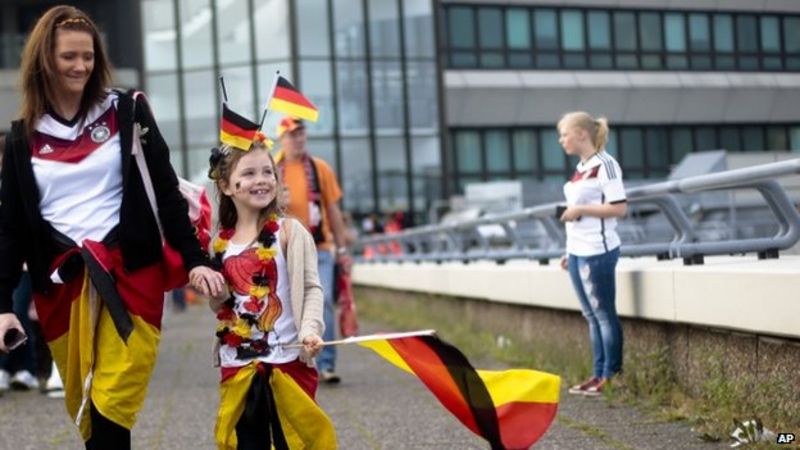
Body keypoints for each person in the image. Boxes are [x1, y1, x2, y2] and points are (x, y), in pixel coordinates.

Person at [0, 6, 223, 448]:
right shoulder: (22, 138)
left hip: (131, 276)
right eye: (68, 56)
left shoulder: (126, 110)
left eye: (88, 56)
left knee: (112, 403)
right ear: (44, 60)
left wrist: (196, 260)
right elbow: (10, 228)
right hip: (61, 289)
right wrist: (3, 304)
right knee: (87, 409)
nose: (81, 66)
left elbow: (164, 189)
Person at [206, 138, 331, 448]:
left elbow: (312, 289)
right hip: (239, 364)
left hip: (288, 362)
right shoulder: (219, 244)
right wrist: (215, 292)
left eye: (267, 172)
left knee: (296, 442)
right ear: (226, 186)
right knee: (248, 442)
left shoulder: (290, 232)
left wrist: (310, 330)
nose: (261, 180)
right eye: (249, 174)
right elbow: (221, 307)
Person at [556, 111, 627, 397]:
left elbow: (619, 207)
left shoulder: (606, 165)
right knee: (591, 315)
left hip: (598, 251)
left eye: (565, 134)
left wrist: (580, 210)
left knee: (604, 314)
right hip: (577, 251)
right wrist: (568, 251)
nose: (562, 140)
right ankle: (597, 374)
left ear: (582, 134)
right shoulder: (581, 168)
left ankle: (611, 375)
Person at [275, 117, 350, 384]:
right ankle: (297, 361)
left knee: (324, 299)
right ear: (282, 138)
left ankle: (326, 363)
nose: (297, 139)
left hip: (321, 248)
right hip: (288, 250)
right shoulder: (274, 169)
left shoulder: (320, 169)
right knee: (290, 304)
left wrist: (342, 248)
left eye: (301, 133)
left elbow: (333, 210)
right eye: (292, 134)